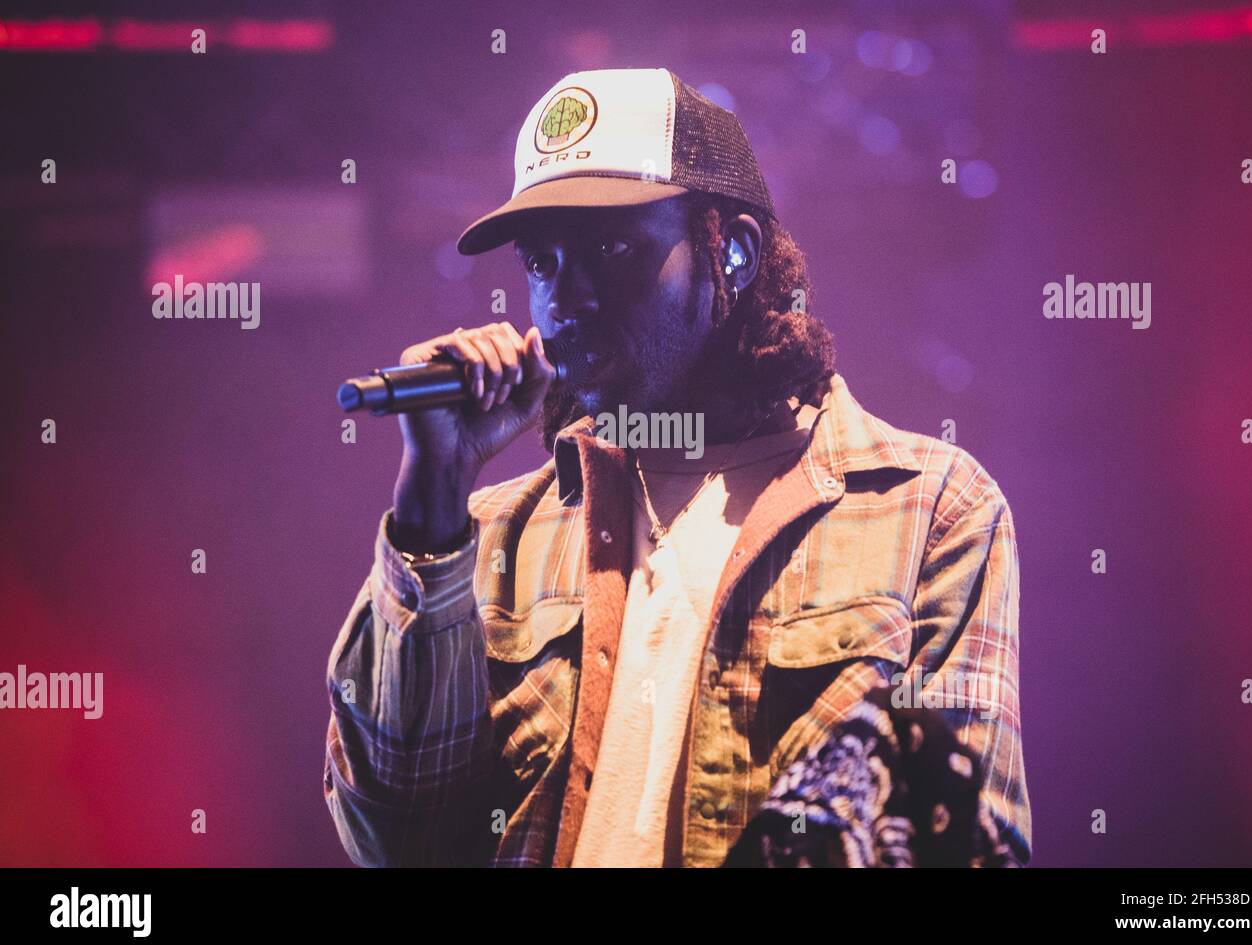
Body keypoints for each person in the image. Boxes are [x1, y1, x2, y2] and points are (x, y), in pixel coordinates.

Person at [323, 67, 1030, 867]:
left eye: (610, 248)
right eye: (541, 262)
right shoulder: (486, 539)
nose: (566, 298)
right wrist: (435, 498)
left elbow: (968, 844)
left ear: (729, 251)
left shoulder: (926, 507)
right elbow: (397, 841)